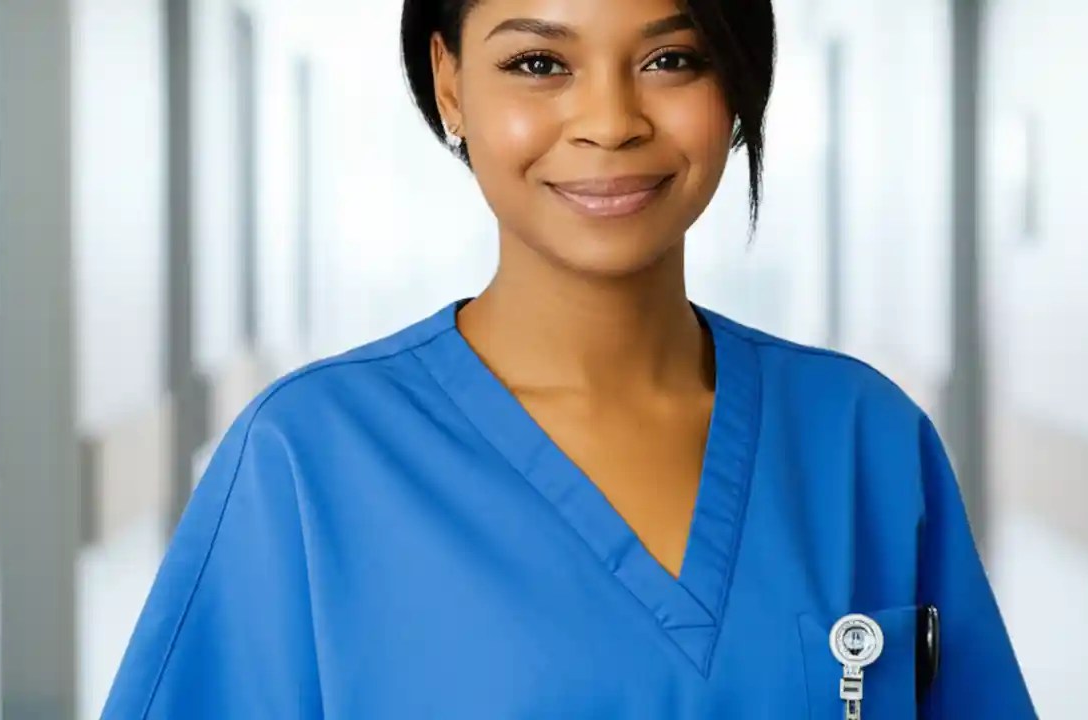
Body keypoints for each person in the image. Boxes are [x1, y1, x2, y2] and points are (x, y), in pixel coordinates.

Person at [103, 0, 1037, 717]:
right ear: (452, 83)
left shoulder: (862, 438)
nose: (611, 120)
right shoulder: (308, 460)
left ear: (737, 84)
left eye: (671, 59)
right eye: (540, 63)